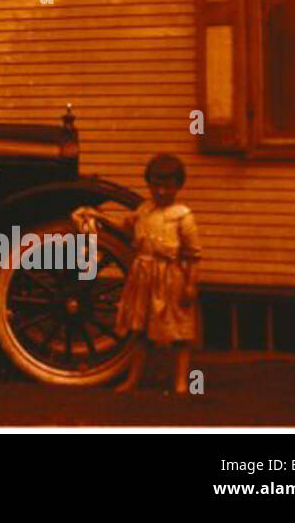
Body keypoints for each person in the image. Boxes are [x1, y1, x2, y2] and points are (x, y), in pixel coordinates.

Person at [73, 153, 201, 395]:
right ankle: (134, 379)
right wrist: (99, 218)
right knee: (139, 329)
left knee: (179, 331)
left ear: (178, 185)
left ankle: (182, 381)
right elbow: (124, 230)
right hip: (143, 276)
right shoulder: (143, 210)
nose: (161, 191)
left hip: (171, 277)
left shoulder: (183, 216)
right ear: (149, 184)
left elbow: (192, 255)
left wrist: (190, 285)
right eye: (156, 185)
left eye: (168, 186)